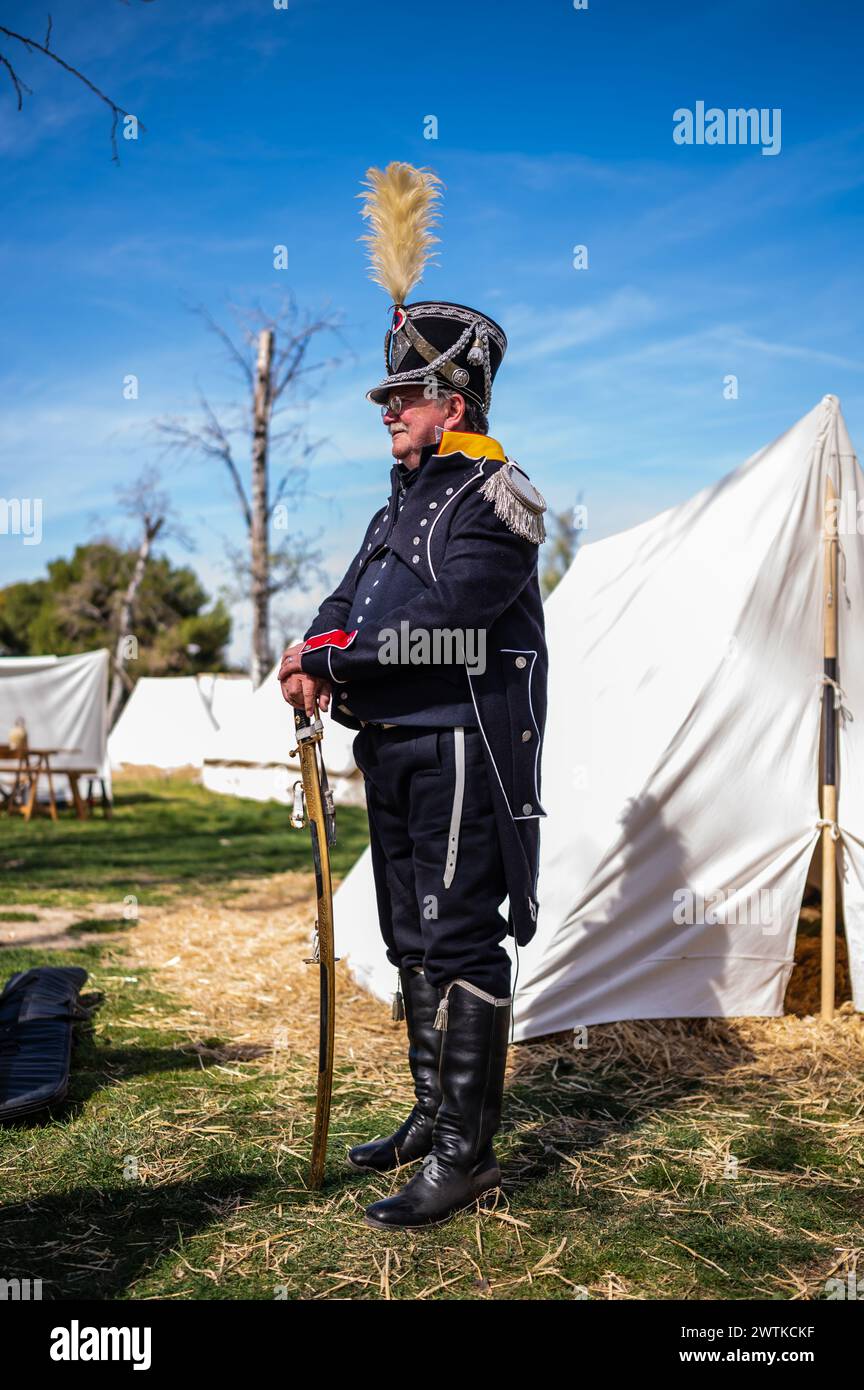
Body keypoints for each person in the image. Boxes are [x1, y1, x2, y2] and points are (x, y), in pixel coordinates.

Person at [278, 165, 548, 1230]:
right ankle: (433, 1114)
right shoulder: (403, 501)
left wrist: (337, 660)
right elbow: (350, 603)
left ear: (455, 399)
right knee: (405, 942)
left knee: (457, 943)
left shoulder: (499, 496)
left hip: (459, 753)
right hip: (391, 749)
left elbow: (444, 626)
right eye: (387, 397)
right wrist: (311, 650)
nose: (387, 411)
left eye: (403, 395)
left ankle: (465, 1157)